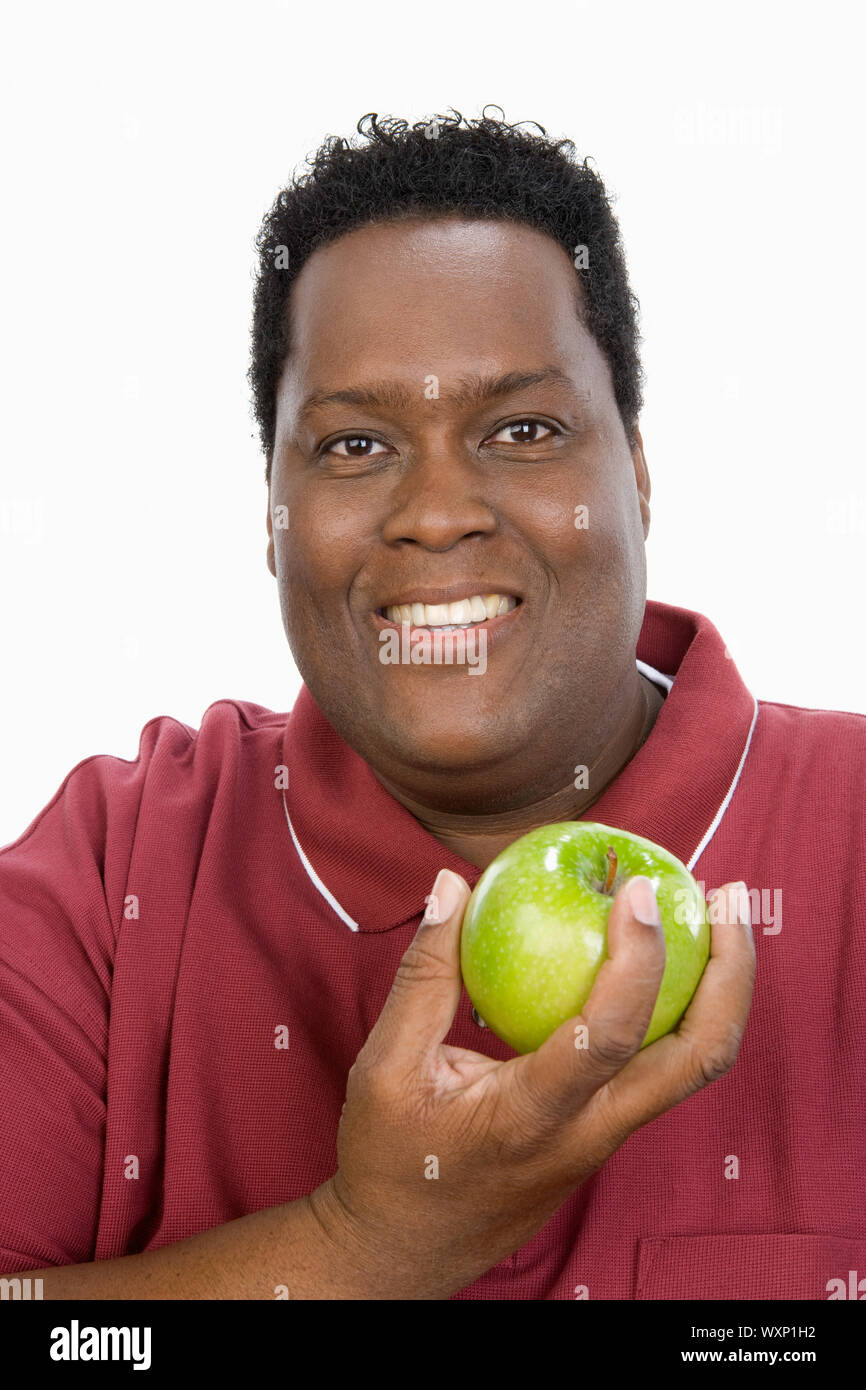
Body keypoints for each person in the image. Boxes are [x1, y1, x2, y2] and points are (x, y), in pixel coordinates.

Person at [1, 109, 863, 1302]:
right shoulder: (112, 875)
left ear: (638, 475)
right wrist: (364, 1247)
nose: (437, 511)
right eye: (354, 445)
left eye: (521, 428)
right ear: (271, 513)